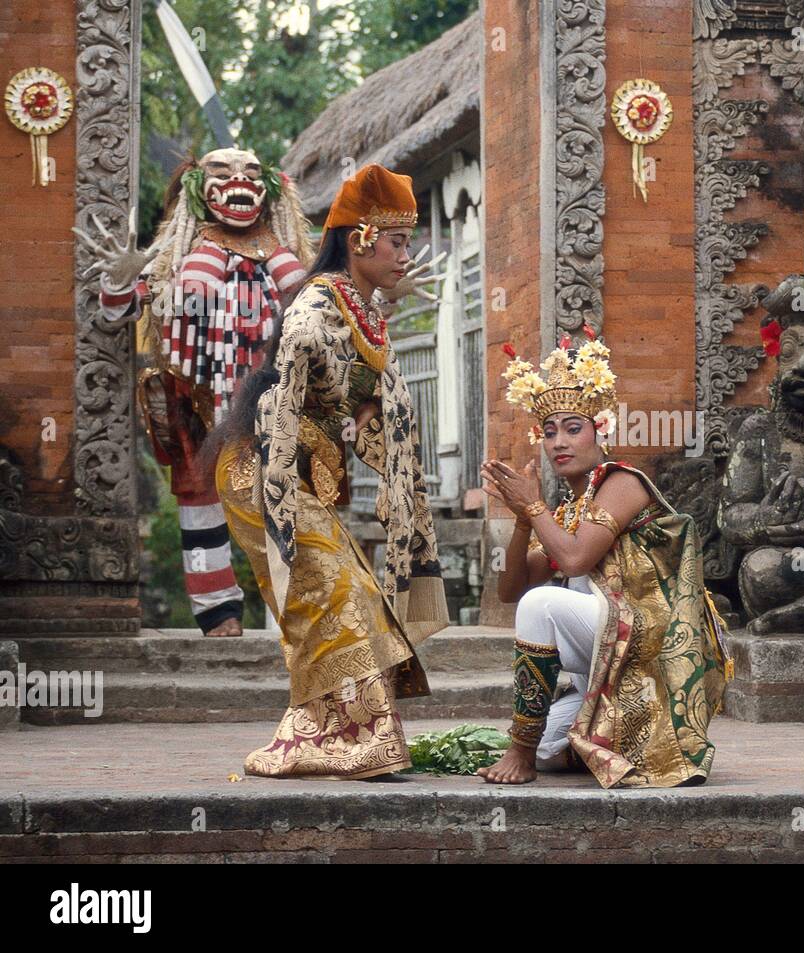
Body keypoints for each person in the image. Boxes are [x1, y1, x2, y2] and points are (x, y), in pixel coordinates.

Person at [206, 163, 449, 779]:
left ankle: (345, 734)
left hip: (299, 470)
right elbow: (278, 410)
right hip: (261, 471)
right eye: (397, 243)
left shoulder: (360, 310)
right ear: (362, 239)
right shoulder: (313, 310)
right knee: (333, 591)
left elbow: (364, 409)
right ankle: (331, 737)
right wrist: (284, 520)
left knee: (354, 592)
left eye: (406, 243)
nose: (404, 255)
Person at [76, 147, 316, 637]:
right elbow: (118, 312)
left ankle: (288, 616)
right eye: (221, 171)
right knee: (201, 498)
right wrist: (121, 282)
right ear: (197, 188)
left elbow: (330, 314)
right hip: (197, 394)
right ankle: (218, 614)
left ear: (270, 188)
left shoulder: (289, 259)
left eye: (251, 171)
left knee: (285, 497)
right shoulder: (176, 259)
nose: (237, 179)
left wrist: (380, 301)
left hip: (274, 395)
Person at [477, 328, 732, 786]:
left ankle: (520, 753)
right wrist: (521, 517)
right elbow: (510, 589)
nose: (559, 443)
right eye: (550, 432)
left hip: (642, 638)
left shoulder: (622, 483)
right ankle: (568, 742)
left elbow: (573, 563)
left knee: (543, 607)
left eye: (573, 429)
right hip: (603, 642)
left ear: (602, 429)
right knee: (555, 750)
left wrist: (535, 508)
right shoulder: (566, 508)